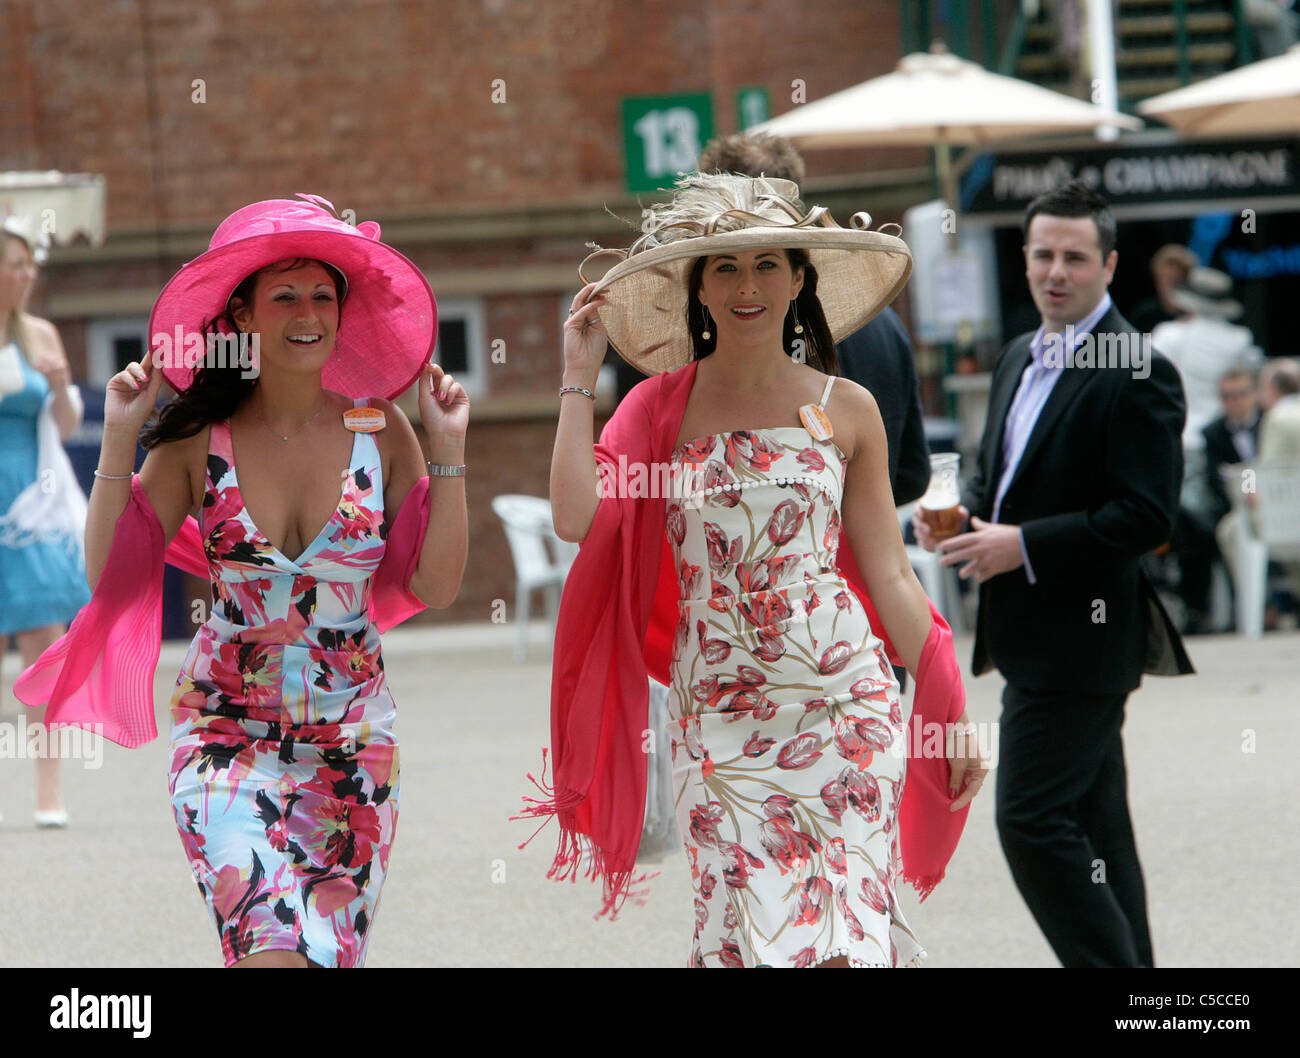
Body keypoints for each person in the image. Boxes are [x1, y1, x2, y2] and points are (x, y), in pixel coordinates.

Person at [536, 173, 986, 968]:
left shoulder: (849, 408)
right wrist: (579, 376)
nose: (748, 286)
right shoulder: (654, 410)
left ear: (800, 278)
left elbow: (889, 575)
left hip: (846, 700)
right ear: (698, 289)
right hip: (717, 712)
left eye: (768, 265)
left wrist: (947, 706)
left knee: (845, 933)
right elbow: (576, 518)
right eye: (725, 269)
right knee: (752, 936)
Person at [16, 195, 467, 968]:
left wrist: (448, 448)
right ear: (243, 317)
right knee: (269, 953)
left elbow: (440, 582)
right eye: (284, 295)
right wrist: (122, 436)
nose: (307, 312)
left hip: (352, 746)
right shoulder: (200, 437)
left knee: (324, 956)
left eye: (322, 295)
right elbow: (109, 575)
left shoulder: (381, 427)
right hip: (226, 741)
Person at [914, 180, 1193, 968]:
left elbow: (1147, 517)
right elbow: (1000, 477)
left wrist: (1023, 545)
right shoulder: (1014, 354)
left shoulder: (1139, 368)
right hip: (1031, 634)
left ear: (1108, 264)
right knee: (1099, 829)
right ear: (1026, 260)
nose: (1056, 272)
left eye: (1075, 257)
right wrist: (964, 518)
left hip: (1086, 642)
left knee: (1029, 820)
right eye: (1043, 255)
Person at [697, 132, 931, 505]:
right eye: (726, 267)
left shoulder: (720, 329)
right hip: (867, 549)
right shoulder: (882, 321)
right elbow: (911, 476)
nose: (747, 287)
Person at [0, 215, 91, 828]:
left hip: (31, 496)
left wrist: (59, 388)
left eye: (30, 263)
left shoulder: (40, 335)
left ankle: (49, 789)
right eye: (15, 262)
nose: (26, 273)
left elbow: (62, 426)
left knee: (46, 646)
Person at [1129, 243, 1196, 336]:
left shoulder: (1193, 320)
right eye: (1164, 279)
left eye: (1175, 280)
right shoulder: (1144, 314)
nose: (1168, 286)